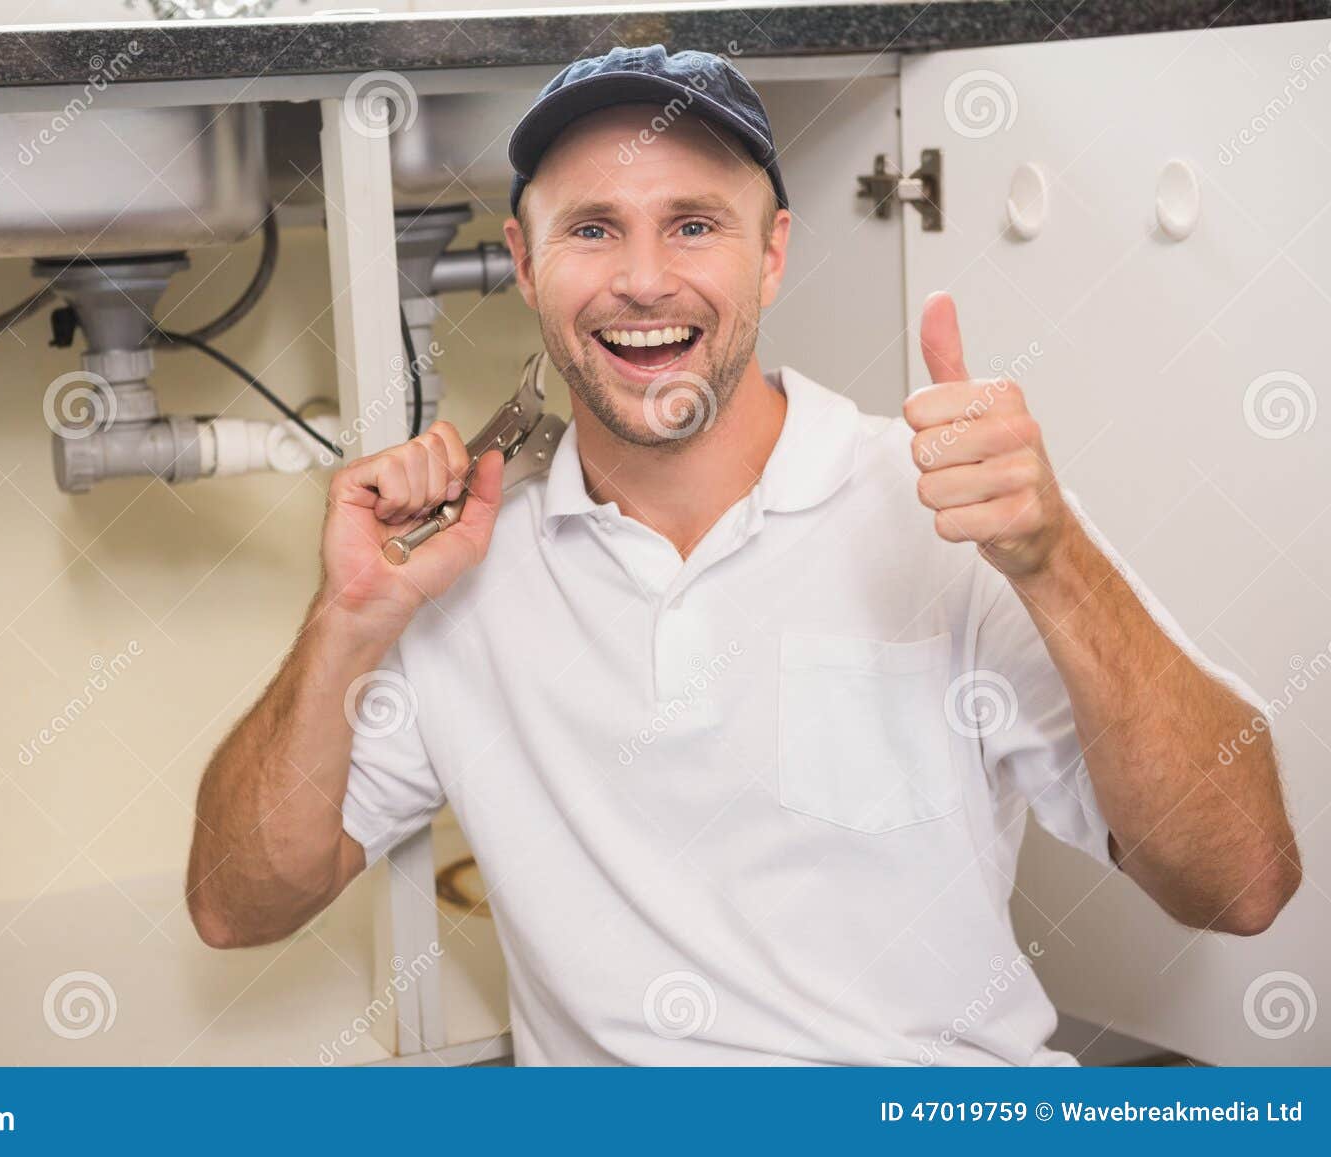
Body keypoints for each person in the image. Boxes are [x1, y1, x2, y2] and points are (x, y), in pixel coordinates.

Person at [186, 45, 1300, 1065]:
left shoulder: (957, 518)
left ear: (771, 256)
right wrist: (347, 620)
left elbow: (1241, 880)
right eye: (591, 229)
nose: (641, 278)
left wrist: (1054, 559)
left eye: (692, 224)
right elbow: (240, 906)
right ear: (524, 265)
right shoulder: (457, 572)